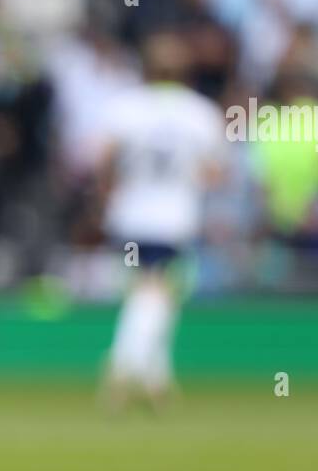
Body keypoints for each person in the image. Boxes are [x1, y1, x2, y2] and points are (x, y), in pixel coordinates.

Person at [96, 33, 225, 408]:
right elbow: (215, 172)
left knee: (147, 293)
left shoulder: (125, 107)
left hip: (130, 213)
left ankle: (155, 378)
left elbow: (103, 159)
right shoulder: (200, 112)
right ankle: (125, 364)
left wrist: (110, 189)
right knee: (157, 293)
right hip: (174, 217)